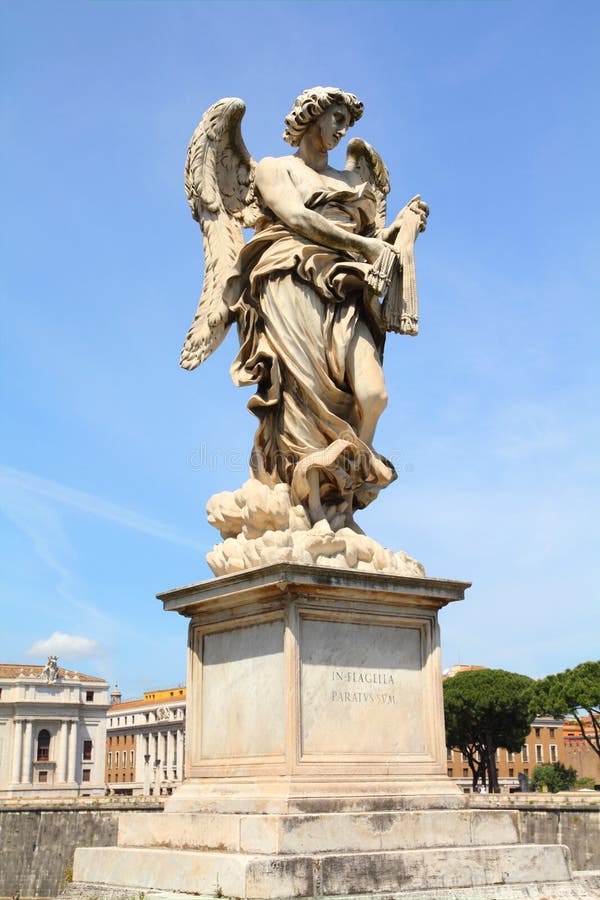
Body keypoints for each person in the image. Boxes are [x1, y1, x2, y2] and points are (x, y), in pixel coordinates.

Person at [221, 87, 427, 529]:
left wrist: (404, 229)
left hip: (348, 291)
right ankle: (308, 498)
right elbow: (295, 218)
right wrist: (363, 245)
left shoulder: (353, 183)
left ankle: (347, 485)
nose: (341, 129)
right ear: (312, 117)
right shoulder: (275, 169)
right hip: (290, 280)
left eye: (346, 123)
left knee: (373, 395)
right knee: (299, 398)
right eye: (335, 118)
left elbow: (380, 248)